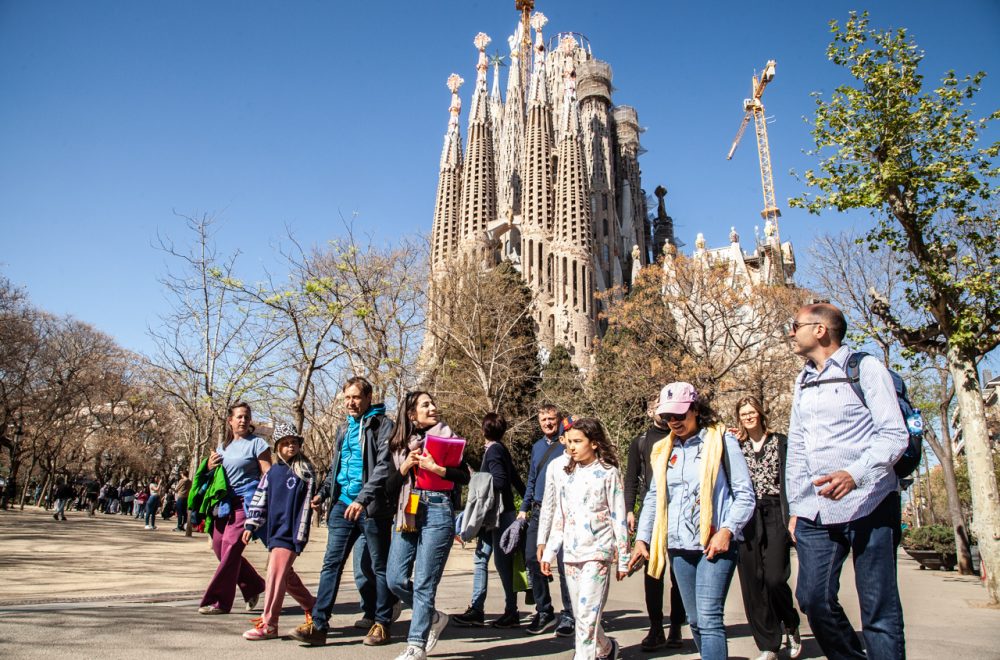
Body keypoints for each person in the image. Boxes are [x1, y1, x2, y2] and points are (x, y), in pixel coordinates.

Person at [785, 303, 908, 659]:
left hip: (871, 503)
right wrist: (796, 507)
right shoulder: (803, 379)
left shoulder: (866, 368)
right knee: (812, 598)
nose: (791, 332)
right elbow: (798, 446)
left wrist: (855, 475)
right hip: (815, 511)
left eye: (795, 325)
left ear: (820, 330)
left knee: (878, 610)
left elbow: (894, 435)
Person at [629, 382, 756, 660]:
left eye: (679, 414)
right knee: (696, 621)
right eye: (667, 416)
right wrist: (642, 539)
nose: (673, 421)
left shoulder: (721, 441)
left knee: (709, 618)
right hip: (678, 546)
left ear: (695, 409)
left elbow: (745, 495)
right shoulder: (663, 450)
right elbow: (654, 497)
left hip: (714, 544)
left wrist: (727, 531)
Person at [291, 376, 397, 647]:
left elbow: (384, 467)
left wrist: (362, 499)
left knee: (379, 567)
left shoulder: (383, 425)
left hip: (372, 508)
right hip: (342, 505)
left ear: (368, 398)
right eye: (347, 397)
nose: (351, 402)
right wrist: (324, 492)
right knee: (331, 564)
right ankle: (319, 625)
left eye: (356, 397)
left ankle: (382, 623)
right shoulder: (343, 428)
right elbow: (336, 468)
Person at [385, 391, 471, 660]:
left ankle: (416, 645)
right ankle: (433, 616)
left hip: (438, 509)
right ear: (412, 414)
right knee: (394, 579)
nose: (433, 407)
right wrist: (405, 466)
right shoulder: (399, 445)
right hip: (407, 511)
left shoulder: (449, 438)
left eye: (433, 403)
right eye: (426, 405)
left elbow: (464, 477)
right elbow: (388, 488)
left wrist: (437, 469)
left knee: (424, 582)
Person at [541, 417, 629, 660]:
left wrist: (623, 557)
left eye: (578, 441)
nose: (572, 447)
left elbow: (618, 516)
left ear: (594, 443)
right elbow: (560, 517)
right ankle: (606, 649)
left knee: (587, 617)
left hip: (598, 553)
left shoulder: (608, 473)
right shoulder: (566, 474)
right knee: (582, 615)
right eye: (569, 442)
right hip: (571, 554)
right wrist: (549, 551)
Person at [732, 396, 802, 660]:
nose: (748, 417)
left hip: (775, 511)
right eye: (744, 414)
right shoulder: (736, 446)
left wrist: (794, 514)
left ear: (761, 414)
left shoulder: (780, 442)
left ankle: (790, 623)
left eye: (752, 412)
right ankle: (768, 644)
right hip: (747, 514)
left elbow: (792, 479)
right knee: (753, 581)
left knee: (774, 578)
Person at [241, 422, 317, 641]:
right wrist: (251, 524)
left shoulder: (305, 471)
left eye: (294, 442)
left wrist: (301, 534)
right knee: (284, 574)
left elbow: (308, 503)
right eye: (285, 443)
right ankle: (313, 606)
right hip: (273, 531)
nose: (290, 446)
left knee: (275, 574)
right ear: (277, 447)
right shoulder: (272, 472)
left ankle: (269, 624)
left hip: (291, 532)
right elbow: (260, 498)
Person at [623, 394, 687, 651]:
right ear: (650, 412)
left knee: (679, 572)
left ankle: (676, 626)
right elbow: (631, 478)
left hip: (680, 511)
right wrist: (630, 510)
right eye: (656, 407)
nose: (662, 411)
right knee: (653, 572)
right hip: (653, 512)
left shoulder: (682, 436)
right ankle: (656, 626)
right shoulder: (640, 442)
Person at [453, 412, 526, 628]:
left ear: (483, 430)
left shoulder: (493, 451)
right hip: (496, 514)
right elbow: (514, 478)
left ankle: (509, 611)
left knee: (501, 563)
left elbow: (501, 481)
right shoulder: (500, 449)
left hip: (497, 514)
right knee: (482, 558)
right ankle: (479, 609)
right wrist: (527, 501)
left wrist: (476, 478)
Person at [197, 401, 269, 615]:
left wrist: (268, 499)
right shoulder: (223, 446)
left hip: (245, 503)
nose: (243, 420)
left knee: (230, 547)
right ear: (230, 420)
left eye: (247, 416)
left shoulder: (258, 444)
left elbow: (268, 473)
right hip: (224, 503)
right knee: (219, 548)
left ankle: (219, 602)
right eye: (239, 416)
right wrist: (209, 465)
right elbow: (215, 473)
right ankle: (254, 585)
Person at [518, 404, 575, 637]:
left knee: (563, 564)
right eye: (543, 420)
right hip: (539, 510)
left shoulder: (569, 443)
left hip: (563, 510)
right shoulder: (537, 447)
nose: (547, 423)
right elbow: (532, 479)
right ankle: (544, 610)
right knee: (532, 558)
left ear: (558, 420)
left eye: (551, 419)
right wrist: (523, 508)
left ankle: (570, 614)